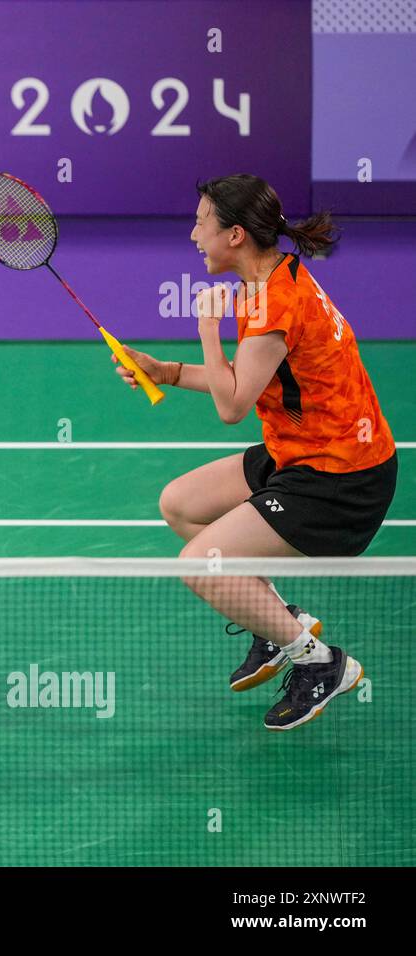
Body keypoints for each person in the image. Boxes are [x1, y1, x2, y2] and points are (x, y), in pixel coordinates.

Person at [114, 174, 397, 731]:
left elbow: (232, 406)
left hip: (340, 480)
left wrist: (205, 328)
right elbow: (247, 380)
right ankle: (276, 624)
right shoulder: (272, 279)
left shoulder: (272, 304)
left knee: (200, 566)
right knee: (181, 505)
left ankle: (321, 666)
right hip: (303, 449)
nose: (194, 233)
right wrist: (165, 372)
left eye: (202, 222)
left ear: (236, 234)